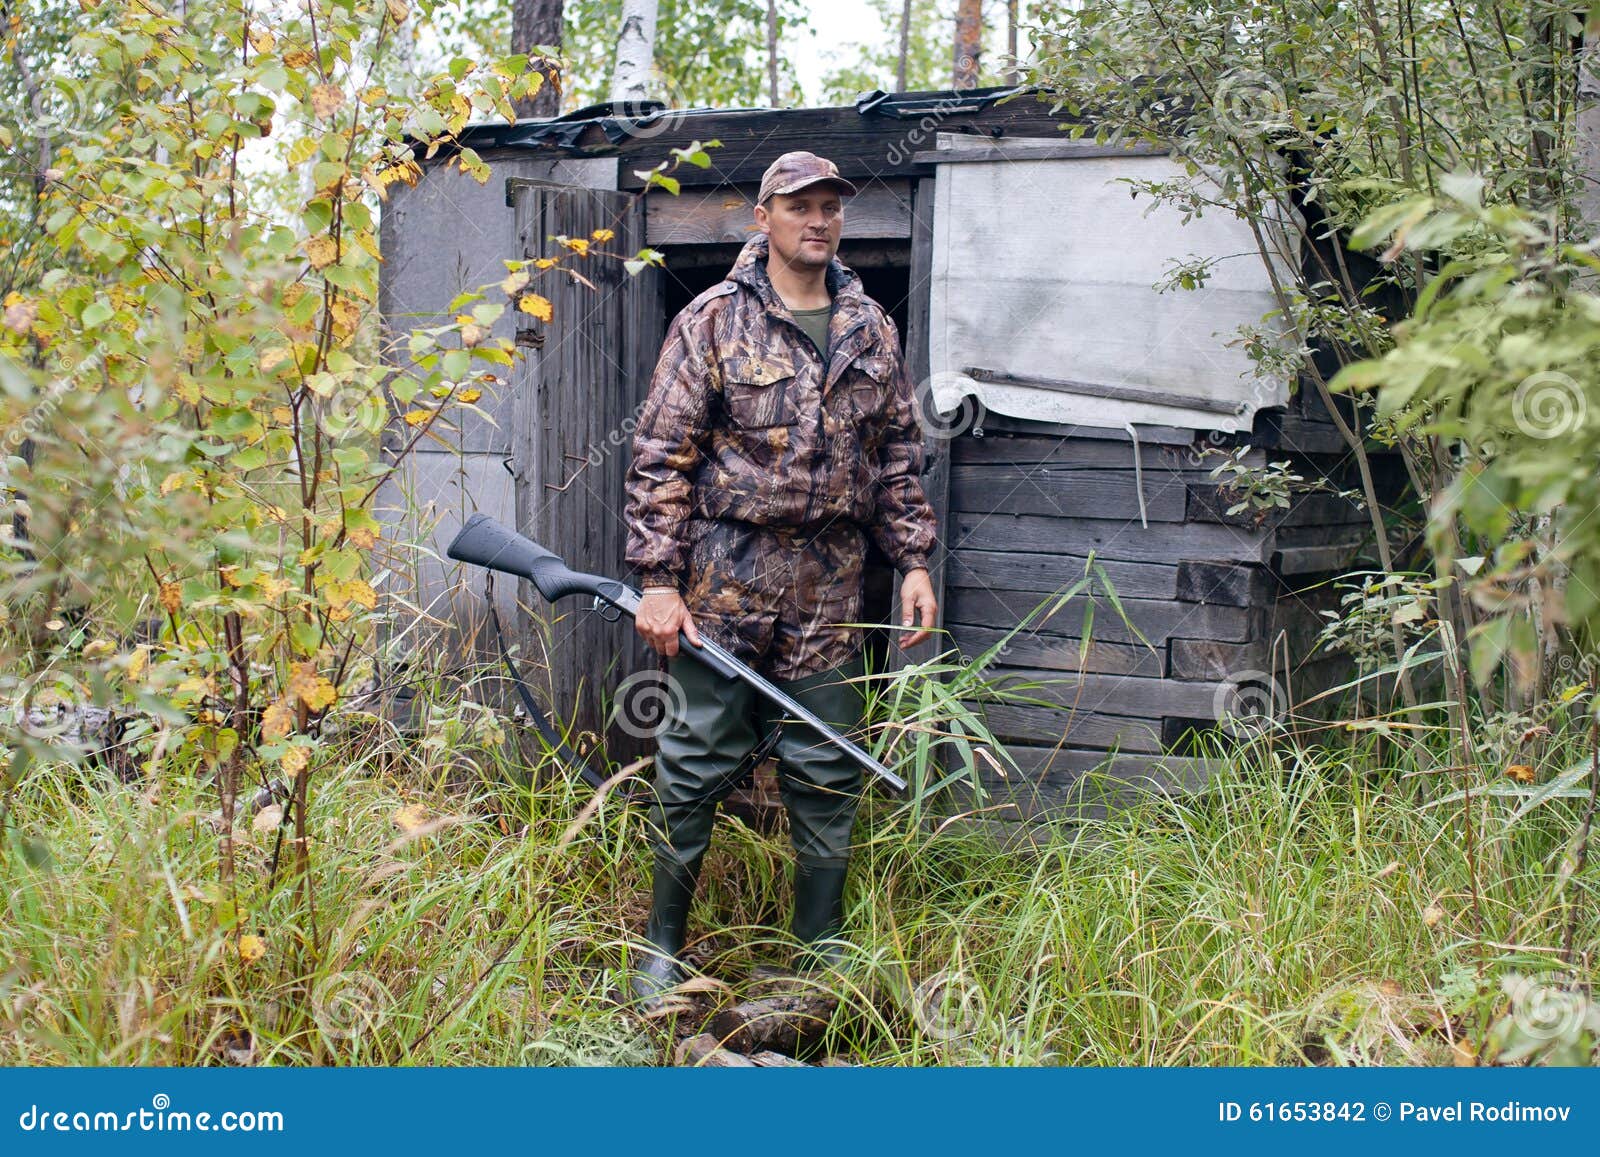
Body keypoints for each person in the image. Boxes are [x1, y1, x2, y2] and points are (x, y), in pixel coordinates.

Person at [622, 150, 939, 1002]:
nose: (818, 219)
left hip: (833, 578)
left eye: (831, 205)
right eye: (799, 205)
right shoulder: (713, 319)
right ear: (762, 217)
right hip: (726, 573)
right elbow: (661, 457)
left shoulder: (871, 326)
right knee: (691, 761)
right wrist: (658, 576)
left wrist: (913, 558)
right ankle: (662, 950)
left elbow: (898, 455)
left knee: (828, 762)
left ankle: (821, 950)